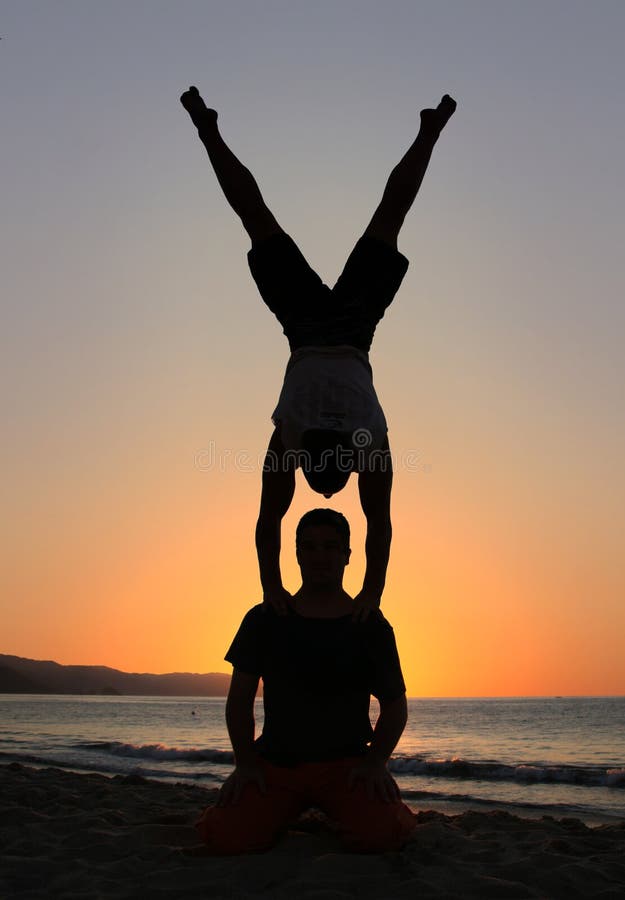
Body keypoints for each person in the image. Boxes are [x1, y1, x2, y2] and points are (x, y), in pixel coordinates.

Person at [180, 87, 456, 618]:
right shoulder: (291, 435)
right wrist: (274, 590)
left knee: (388, 216)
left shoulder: (367, 440)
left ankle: (430, 130)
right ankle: (207, 128)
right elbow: (271, 522)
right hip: (306, 326)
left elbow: (377, 528)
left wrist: (370, 595)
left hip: (353, 327)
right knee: (256, 218)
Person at [196, 508, 415, 854]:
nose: (320, 556)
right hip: (276, 765)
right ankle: (279, 813)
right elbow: (239, 700)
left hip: (347, 767)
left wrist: (376, 763)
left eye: (330, 546)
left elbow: (395, 706)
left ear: (347, 556)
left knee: (385, 834)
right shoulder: (266, 618)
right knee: (226, 836)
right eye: (309, 547)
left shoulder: (369, 625)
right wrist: (245, 763)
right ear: (295, 554)